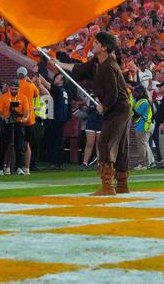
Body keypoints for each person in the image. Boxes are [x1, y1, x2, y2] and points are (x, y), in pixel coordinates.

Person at [53, 31, 131, 195]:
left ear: (103, 47)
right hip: (121, 108)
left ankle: (107, 186)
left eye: (95, 43)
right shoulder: (97, 63)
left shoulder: (108, 67)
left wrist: (104, 106)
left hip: (118, 109)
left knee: (104, 142)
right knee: (121, 145)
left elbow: (113, 94)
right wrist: (59, 63)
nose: (92, 45)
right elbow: (79, 69)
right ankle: (122, 184)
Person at [132, 84, 155, 169]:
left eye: (136, 92)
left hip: (143, 125)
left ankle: (143, 164)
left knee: (141, 145)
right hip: (139, 125)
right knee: (143, 145)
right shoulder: (136, 100)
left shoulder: (144, 102)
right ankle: (149, 162)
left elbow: (136, 114)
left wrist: (131, 109)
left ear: (141, 93)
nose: (134, 93)